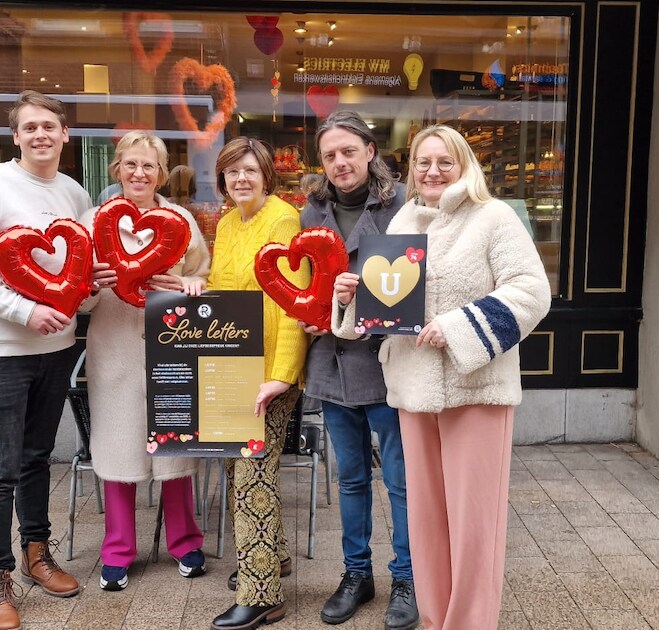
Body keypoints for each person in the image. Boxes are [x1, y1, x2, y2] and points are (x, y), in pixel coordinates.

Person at [331, 124, 551, 630]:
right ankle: (434, 619)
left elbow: (531, 291)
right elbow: (389, 302)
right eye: (423, 162)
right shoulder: (404, 221)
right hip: (412, 390)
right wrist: (351, 299)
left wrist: (458, 328)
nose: (432, 172)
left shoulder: (494, 217)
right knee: (426, 520)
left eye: (444, 162)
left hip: (476, 391)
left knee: (475, 525)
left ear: (465, 165)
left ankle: (470, 624)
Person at [0, 90, 115, 630]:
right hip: (1, 353)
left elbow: (72, 280)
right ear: (15, 136)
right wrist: (22, 311)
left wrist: (89, 293)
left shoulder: (72, 191)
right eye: (30, 127)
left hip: (57, 349)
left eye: (50, 127)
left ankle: (38, 556)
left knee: (39, 457)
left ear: (66, 136)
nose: (41, 135)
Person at [300, 111, 418, 630]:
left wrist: (362, 296)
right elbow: (302, 287)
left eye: (349, 151)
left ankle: (407, 578)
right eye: (330, 155)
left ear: (370, 152)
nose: (340, 163)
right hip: (330, 362)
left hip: (386, 363)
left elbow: (417, 281)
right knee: (349, 479)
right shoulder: (310, 212)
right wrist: (313, 312)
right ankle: (356, 574)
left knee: (399, 481)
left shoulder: (403, 207)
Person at [79, 131, 212, 592]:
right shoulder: (93, 220)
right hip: (113, 347)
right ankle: (117, 549)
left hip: (171, 344)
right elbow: (76, 296)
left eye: (149, 166)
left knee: (175, 443)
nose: (139, 173)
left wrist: (194, 285)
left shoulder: (179, 219)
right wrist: (93, 286)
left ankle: (185, 541)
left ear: (161, 172)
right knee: (118, 446)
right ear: (118, 169)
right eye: (131, 164)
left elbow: (200, 272)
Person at [208, 137, 310, 630]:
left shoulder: (283, 219)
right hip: (233, 364)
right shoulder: (227, 223)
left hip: (269, 369)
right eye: (232, 173)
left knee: (252, 475)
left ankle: (262, 593)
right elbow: (220, 290)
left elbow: (295, 300)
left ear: (267, 174)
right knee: (239, 468)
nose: (241, 179)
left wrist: (280, 376)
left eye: (249, 170)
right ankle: (274, 558)